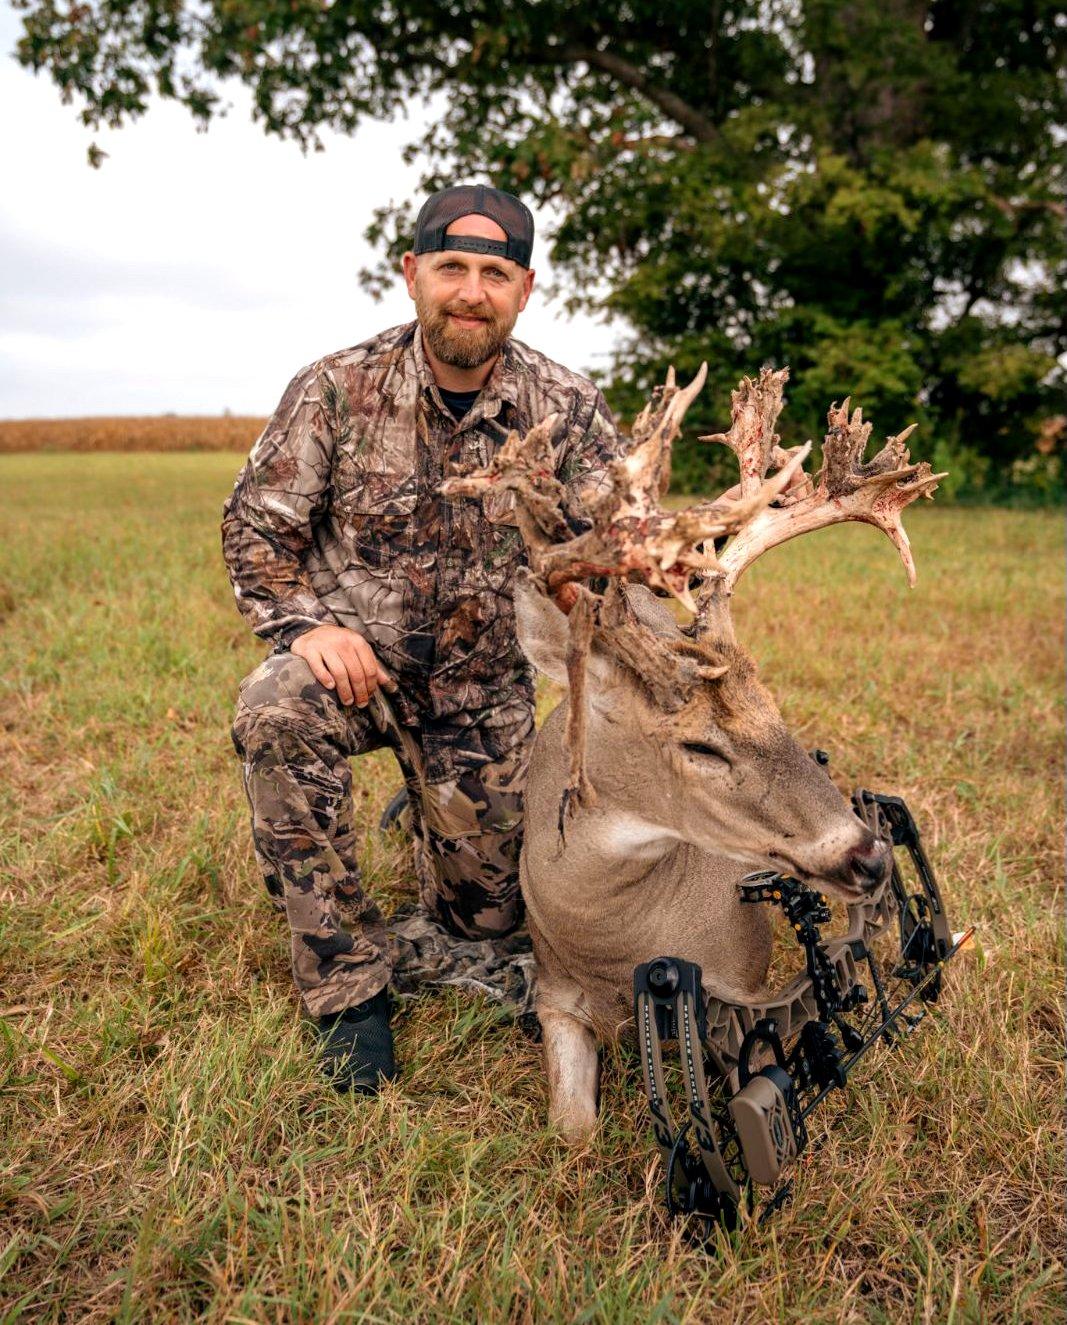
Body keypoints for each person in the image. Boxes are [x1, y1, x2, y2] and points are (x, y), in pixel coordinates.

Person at [221, 184, 622, 1094]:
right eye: (451, 268)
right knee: (275, 708)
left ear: (524, 288)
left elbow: (617, 538)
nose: (469, 292)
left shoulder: (567, 404)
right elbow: (255, 528)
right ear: (412, 275)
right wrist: (307, 627)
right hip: (355, 671)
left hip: (482, 703)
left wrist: (630, 566)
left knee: (486, 927)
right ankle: (347, 987)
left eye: (493, 273)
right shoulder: (336, 386)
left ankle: (434, 822)